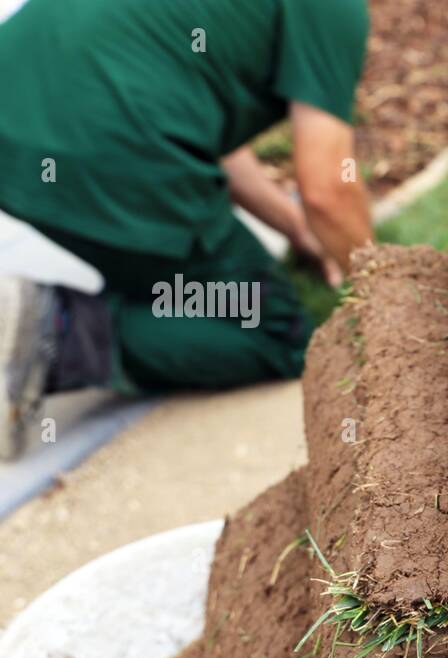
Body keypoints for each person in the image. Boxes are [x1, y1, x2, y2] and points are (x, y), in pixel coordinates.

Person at [0, 0, 373, 459]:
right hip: (104, 144)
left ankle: (123, 293)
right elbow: (328, 188)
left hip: (19, 102)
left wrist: (295, 226)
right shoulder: (334, 10)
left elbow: (208, 128)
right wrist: (380, 285)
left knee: (164, 280)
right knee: (269, 327)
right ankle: (56, 328)